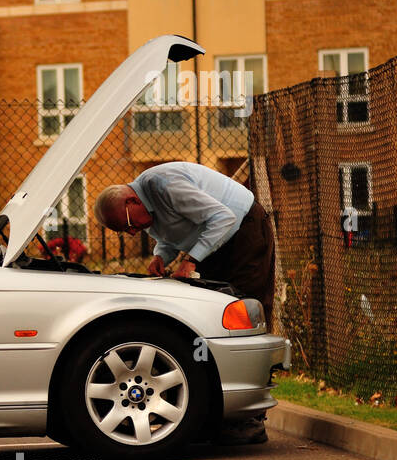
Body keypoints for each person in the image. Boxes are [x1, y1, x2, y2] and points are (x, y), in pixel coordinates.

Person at [94, 161, 276, 445]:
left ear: (132, 200)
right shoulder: (144, 207)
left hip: (243, 232)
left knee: (242, 320)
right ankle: (220, 416)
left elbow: (222, 218)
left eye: (129, 225)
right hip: (216, 243)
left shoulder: (164, 185)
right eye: (125, 232)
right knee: (213, 324)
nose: (132, 233)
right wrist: (161, 257)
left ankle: (250, 420)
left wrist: (191, 260)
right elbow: (174, 231)